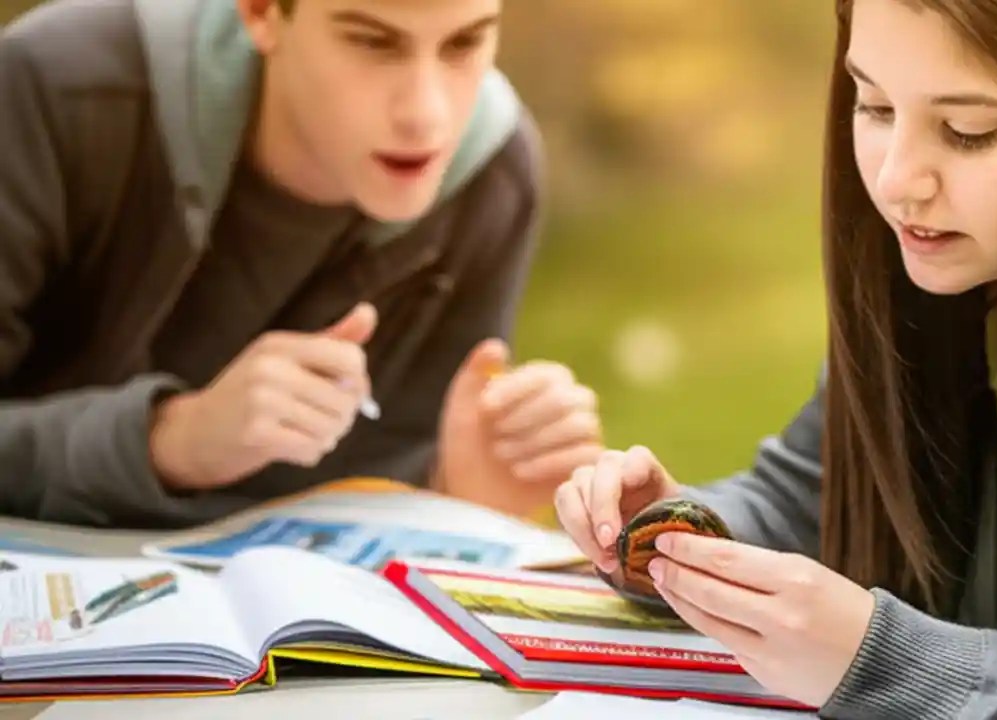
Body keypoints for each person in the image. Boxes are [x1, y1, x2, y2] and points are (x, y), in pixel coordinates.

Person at [556, 0, 997, 716]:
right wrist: (678, 535)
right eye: (873, 106)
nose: (898, 180)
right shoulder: (955, 259)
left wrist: (896, 670)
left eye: (969, 131)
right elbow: (814, 497)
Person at [0, 0, 604, 528]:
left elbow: (375, 530)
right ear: (262, 12)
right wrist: (168, 441)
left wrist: (459, 501)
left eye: (465, 42)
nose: (427, 115)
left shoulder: (493, 174)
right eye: (372, 41)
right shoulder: (57, 88)